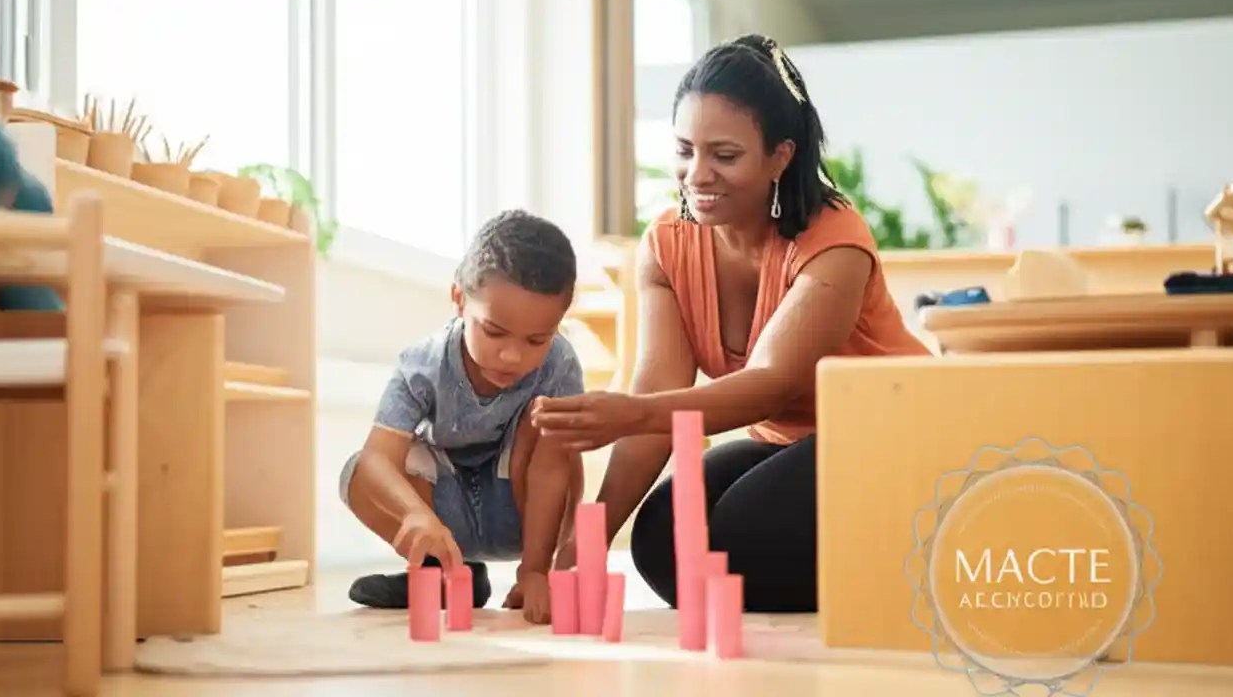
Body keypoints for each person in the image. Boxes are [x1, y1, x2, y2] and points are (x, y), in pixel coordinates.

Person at [532, 35, 932, 612]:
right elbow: (655, 397)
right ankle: (863, 568)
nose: (697, 174)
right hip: (790, 444)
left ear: (780, 156)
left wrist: (630, 413)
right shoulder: (668, 244)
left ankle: (914, 558)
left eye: (724, 155)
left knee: (744, 529)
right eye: (684, 150)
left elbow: (771, 382)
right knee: (663, 536)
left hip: (894, 432)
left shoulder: (832, 240)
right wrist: (581, 547)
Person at [339, 209, 585, 624]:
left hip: (523, 513)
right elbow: (376, 458)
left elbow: (554, 471)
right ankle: (444, 574)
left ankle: (533, 567)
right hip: (445, 511)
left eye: (536, 340)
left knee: (549, 425)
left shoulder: (559, 364)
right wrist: (416, 514)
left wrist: (538, 570)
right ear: (458, 300)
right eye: (494, 331)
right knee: (358, 473)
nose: (512, 355)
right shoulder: (423, 364)